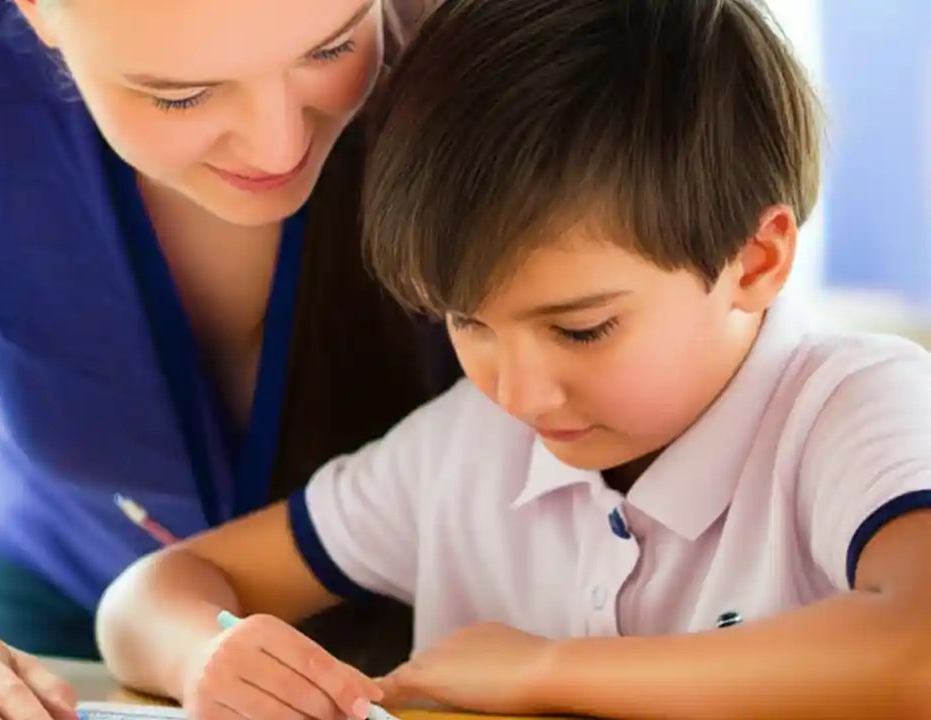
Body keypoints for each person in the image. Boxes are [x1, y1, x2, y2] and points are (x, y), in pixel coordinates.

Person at [96, 0, 931, 717]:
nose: (519, 393)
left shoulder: (855, 405)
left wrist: (547, 670)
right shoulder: (462, 451)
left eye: (581, 330)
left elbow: (918, 656)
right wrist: (201, 657)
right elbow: (160, 588)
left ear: (755, 261)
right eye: (469, 323)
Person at [0, 0, 454, 717]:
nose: (278, 148)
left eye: (331, 48)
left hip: (465, 653)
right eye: (179, 94)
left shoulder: (506, 32)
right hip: (69, 649)